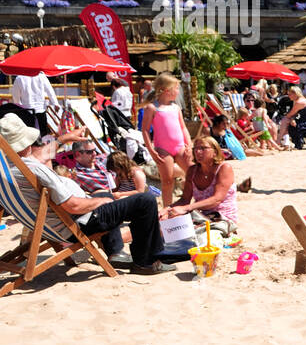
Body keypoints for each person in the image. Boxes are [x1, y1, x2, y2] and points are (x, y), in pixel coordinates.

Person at [2, 113, 173, 273]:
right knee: (145, 200)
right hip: (76, 224)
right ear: (25, 143)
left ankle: (115, 253)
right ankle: (146, 262)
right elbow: (73, 206)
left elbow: (39, 156)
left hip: (52, 226)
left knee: (103, 194)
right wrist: (100, 202)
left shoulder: (9, 168)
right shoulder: (34, 169)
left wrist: (64, 139)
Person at [165, 135, 237, 236]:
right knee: (167, 225)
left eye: (203, 148)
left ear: (215, 152)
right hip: (200, 215)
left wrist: (186, 208)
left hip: (221, 217)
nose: (198, 152)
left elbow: (217, 199)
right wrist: (168, 209)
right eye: (196, 148)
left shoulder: (224, 168)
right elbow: (185, 199)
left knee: (184, 232)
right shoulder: (192, 171)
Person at [140, 73, 191, 210]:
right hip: (163, 149)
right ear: (166, 90)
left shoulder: (176, 108)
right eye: (176, 88)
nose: (178, 91)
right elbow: (145, 130)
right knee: (167, 181)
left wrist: (189, 145)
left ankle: (189, 204)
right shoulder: (152, 108)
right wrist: (151, 150)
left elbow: (183, 127)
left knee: (193, 173)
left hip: (180, 146)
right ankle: (167, 209)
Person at [8, 70, 59, 136]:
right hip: (40, 109)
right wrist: (55, 103)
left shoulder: (19, 78)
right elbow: (50, 91)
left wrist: (19, 107)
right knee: (43, 134)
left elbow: (16, 96)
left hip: (27, 110)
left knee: (29, 135)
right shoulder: (41, 76)